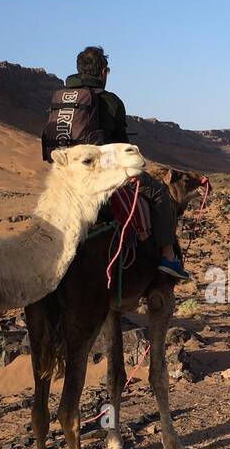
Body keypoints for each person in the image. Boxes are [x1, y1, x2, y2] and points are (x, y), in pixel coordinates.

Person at [43, 45, 189, 280]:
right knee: (160, 193)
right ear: (103, 72)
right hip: (100, 173)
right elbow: (120, 145)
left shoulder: (61, 100)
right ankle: (168, 256)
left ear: (79, 69)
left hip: (65, 177)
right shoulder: (109, 101)